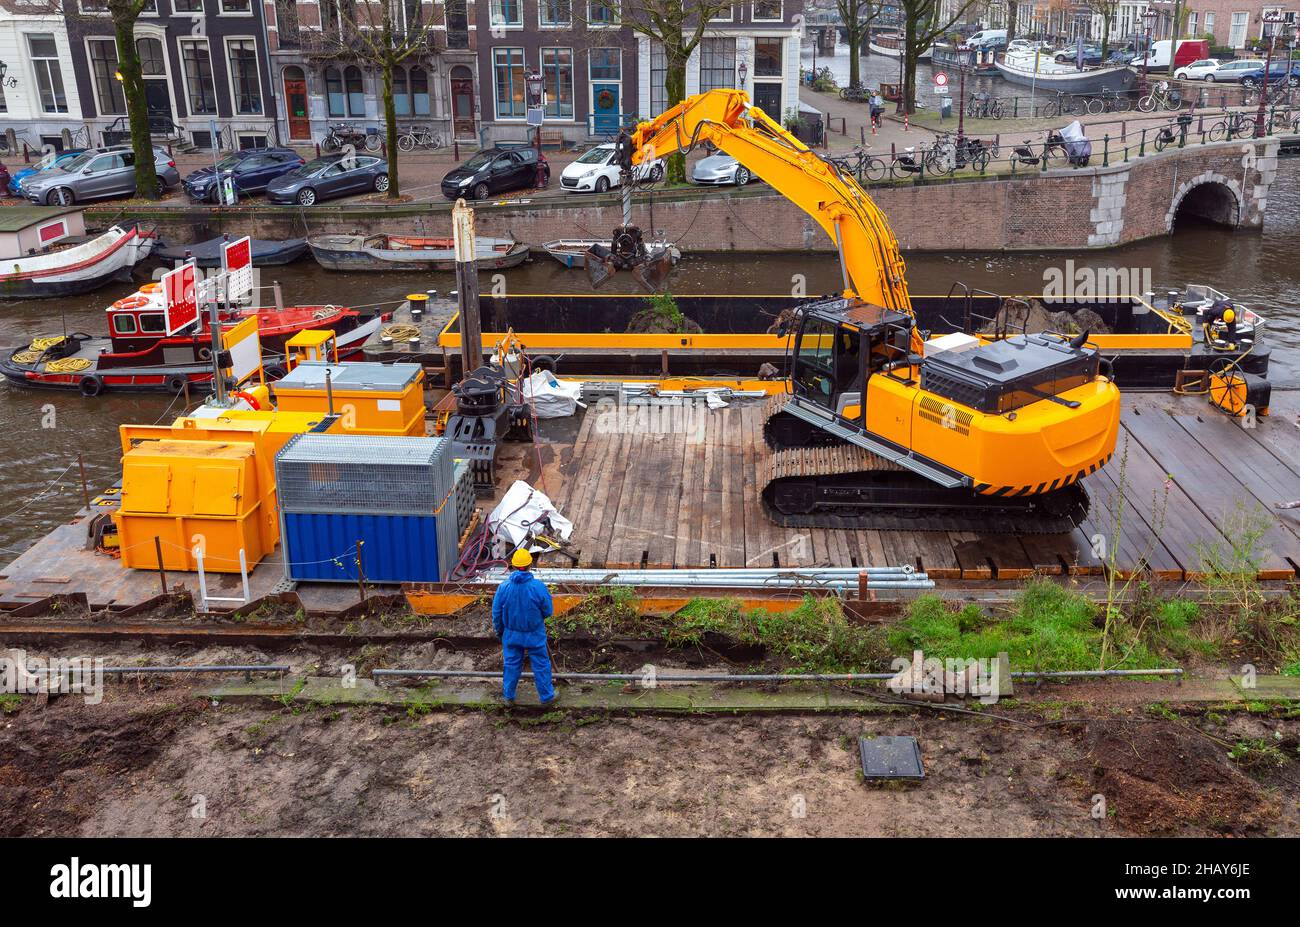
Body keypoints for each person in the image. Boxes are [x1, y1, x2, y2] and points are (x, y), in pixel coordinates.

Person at [492, 548, 556, 706]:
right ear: (530, 565)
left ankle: (508, 696)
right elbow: (548, 611)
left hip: (511, 635)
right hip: (534, 634)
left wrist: (501, 633)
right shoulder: (538, 587)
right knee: (541, 664)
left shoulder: (503, 588)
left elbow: (497, 614)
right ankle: (547, 697)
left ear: (512, 566)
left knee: (511, 665)